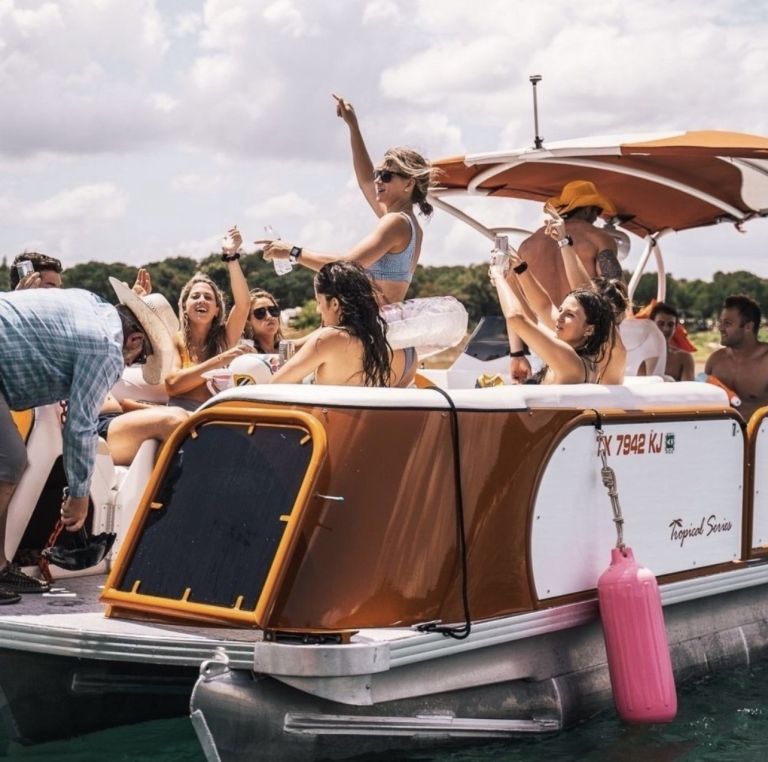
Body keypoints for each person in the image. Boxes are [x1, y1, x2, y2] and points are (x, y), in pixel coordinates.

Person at [0, 287, 172, 603]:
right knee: (9, 460)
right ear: (134, 341)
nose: (132, 361)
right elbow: (81, 427)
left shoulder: (91, 302)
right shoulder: (106, 347)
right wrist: (79, 497)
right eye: (142, 356)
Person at [258, 94, 437, 306]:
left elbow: (345, 267)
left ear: (409, 184)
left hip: (369, 331)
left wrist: (293, 252)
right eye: (378, 174)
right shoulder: (408, 223)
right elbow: (366, 181)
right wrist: (353, 126)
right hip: (380, 328)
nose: (378, 180)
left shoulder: (395, 222)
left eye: (386, 176)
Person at [508, 181, 622, 382]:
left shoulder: (527, 246)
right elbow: (611, 294)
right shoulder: (599, 239)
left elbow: (517, 304)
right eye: (596, 212)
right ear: (587, 209)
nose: (596, 218)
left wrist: (516, 353)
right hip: (588, 340)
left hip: (545, 338)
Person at [270, 261, 415, 387]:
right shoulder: (407, 350)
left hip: (323, 419)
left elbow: (274, 387)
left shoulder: (329, 340)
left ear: (334, 304)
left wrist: (283, 355)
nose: (317, 309)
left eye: (318, 302)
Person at [164, 227, 252, 410]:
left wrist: (231, 256)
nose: (201, 300)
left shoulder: (224, 339)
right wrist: (220, 359)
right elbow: (172, 384)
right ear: (185, 308)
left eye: (208, 297)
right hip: (180, 414)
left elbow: (244, 305)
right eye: (195, 297)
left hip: (214, 417)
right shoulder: (176, 339)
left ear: (216, 310)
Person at [490, 258, 615, 385]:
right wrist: (514, 271)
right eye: (560, 310)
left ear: (589, 329)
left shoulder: (571, 361)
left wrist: (498, 275)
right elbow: (539, 314)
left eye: (570, 315)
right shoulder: (580, 358)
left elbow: (515, 318)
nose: (559, 317)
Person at [705, 295, 768, 419]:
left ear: (748, 327)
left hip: (759, 436)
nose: (720, 328)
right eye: (720, 322)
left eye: (727, 324)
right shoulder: (715, 360)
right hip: (718, 435)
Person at [651, 302, 695, 381]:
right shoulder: (638, 355)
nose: (666, 329)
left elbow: (688, 390)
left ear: (675, 327)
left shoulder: (684, 358)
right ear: (651, 324)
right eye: (661, 324)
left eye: (670, 325)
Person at [244, 289, 283, 354]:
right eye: (260, 313)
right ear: (248, 321)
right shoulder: (248, 352)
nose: (269, 316)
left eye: (273, 310)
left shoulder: (284, 348)